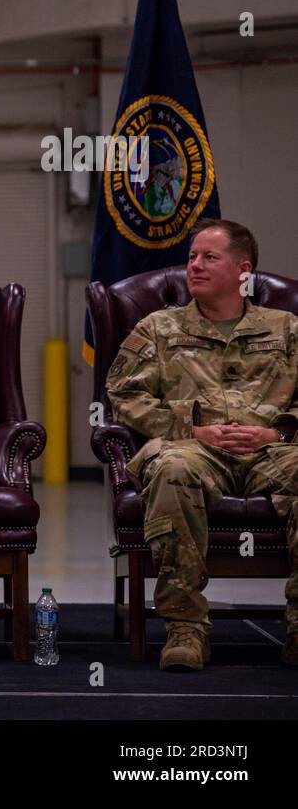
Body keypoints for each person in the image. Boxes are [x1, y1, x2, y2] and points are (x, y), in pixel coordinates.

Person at [106, 219, 298, 670]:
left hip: (273, 451)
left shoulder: (287, 329)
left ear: (242, 269)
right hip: (195, 451)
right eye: (192, 256)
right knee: (170, 469)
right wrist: (190, 429)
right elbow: (122, 395)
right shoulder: (159, 327)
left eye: (209, 257)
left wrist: (279, 432)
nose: (194, 265)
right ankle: (185, 629)